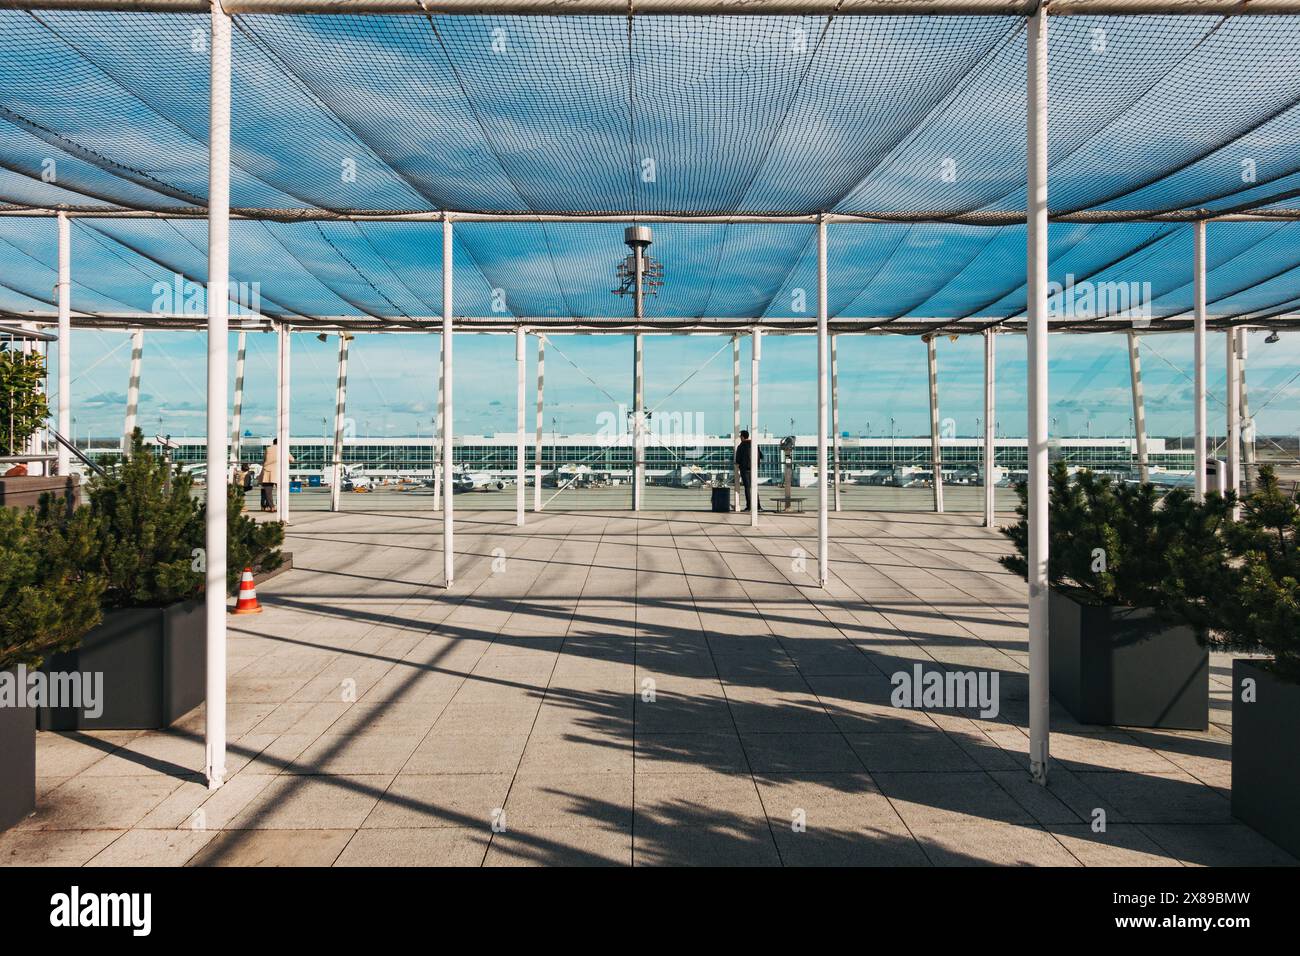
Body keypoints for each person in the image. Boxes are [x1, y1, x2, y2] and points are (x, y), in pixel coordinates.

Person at [260, 439, 293, 513]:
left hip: (267, 471)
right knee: (282, 490)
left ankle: (272, 507)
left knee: (268, 492)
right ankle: (282, 506)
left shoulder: (268, 448)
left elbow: (264, 459)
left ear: (273, 443)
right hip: (279, 473)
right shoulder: (283, 449)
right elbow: (291, 459)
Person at [735, 429, 764, 512]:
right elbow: (761, 456)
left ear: (743, 437)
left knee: (747, 488)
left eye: (740, 436)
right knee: (754, 488)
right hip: (754, 469)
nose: (740, 438)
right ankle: (758, 506)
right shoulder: (754, 444)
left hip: (745, 469)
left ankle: (749, 507)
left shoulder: (741, 446)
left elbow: (737, 460)